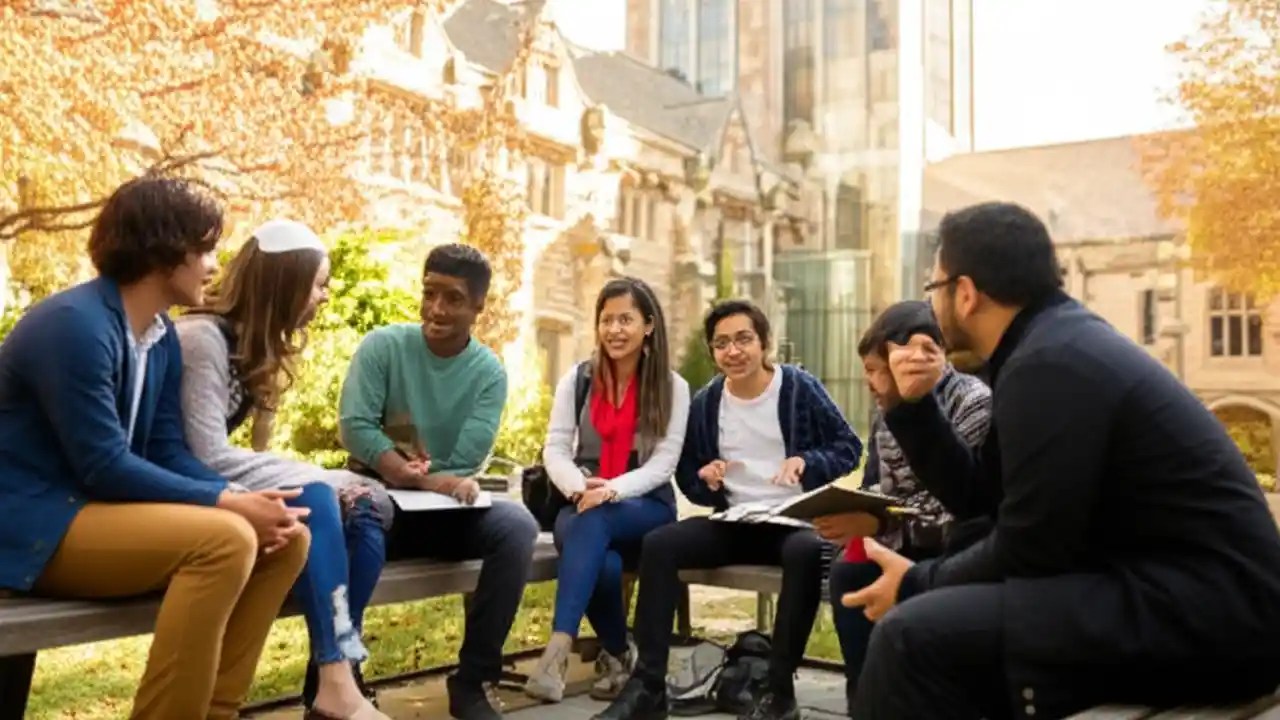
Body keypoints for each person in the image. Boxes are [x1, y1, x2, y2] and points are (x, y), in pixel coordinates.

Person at [843, 202, 1280, 719]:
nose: (931, 305)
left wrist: (916, 583)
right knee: (957, 561)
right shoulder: (1046, 346)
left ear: (964, 294)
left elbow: (1032, 546)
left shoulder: (1050, 361)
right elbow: (981, 497)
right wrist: (909, 407)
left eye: (932, 288)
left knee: (908, 637)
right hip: (1171, 595)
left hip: (1212, 618)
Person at [0, 176, 311, 719]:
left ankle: (216, 710)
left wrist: (239, 493)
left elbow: (166, 451)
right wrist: (225, 505)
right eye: (207, 248)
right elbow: (102, 465)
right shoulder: (75, 326)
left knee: (286, 537)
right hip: (29, 523)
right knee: (224, 540)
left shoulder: (161, 338)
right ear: (166, 250)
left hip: (88, 515)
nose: (215, 265)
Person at [596, 299, 863, 720]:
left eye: (743, 339)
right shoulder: (708, 401)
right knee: (661, 544)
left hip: (791, 523)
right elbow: (686, 475)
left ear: (763, 343)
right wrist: (705, 477)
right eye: (722, 344)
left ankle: (778, 691)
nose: (733, 351)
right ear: (712, 351)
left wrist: (808, 462)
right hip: (736, 521)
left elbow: (849, 447)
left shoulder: (797, 387)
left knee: (806, 551)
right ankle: (648, 686)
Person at [176, 219, 392, 720]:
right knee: (320, 495)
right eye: (317, 284)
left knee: (361, 515)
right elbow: (204, 453)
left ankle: (337, 680)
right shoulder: (201, 339)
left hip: (209, 490)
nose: (323, 297)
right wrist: (320, 476)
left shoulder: (253, 345)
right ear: (284, 282)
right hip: (174, 491)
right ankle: (337, 682)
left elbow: (257, 456)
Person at [337, 242, 539, 720]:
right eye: (429, 293)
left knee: (517, 529)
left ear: (477, 307)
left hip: (442, 512)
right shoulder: (384, 346)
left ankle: (472, 682)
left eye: (452, 298)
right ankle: (338, 679)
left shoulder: (488, 372)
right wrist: (415, 474)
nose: (436, 309)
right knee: (362, 513)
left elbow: (467, 456)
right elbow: (355, 425)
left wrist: (426, 478)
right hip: (379, 498)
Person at [810, 300, 991, 714]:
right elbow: (875, 484)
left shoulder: (972, 402)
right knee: (843, 568)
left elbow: (960, 510)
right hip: (895, 538)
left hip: (954, 549)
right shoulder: (886, 410)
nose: (871, 384)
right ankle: (864, 699)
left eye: (875, 371)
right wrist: (851, 514)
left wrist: (872, 522)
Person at [524, 277, 690, 704]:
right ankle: (618, 656)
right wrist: (581, 488)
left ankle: (556, 651)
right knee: (604, 563)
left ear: (648, 325)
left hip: (645, 505)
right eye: (606, 320)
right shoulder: (577, 380)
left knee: (591, 524)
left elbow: (663, 464)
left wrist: (611, 490)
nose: (614, 330)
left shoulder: (673, 387)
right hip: (582, 499)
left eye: (626, 320)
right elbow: (556, 448)